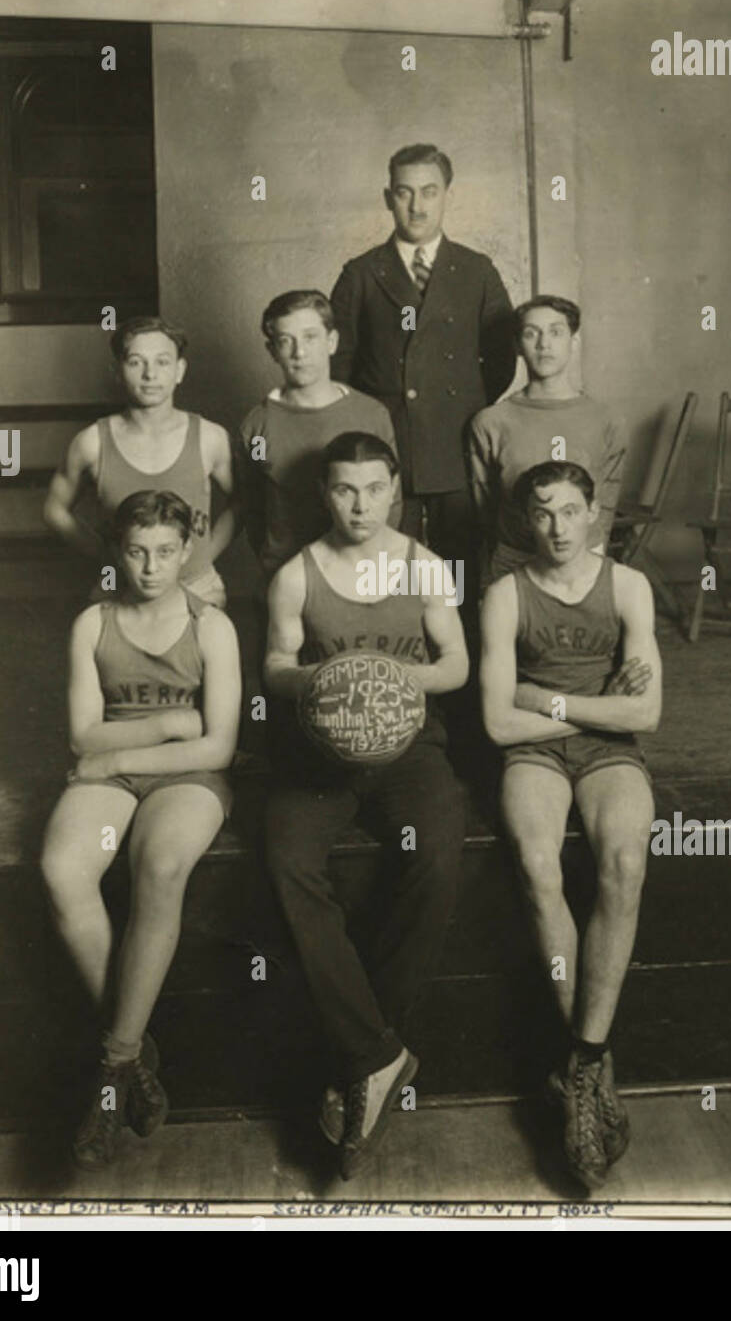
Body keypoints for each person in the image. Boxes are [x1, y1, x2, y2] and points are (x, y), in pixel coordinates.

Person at [263, 431, 468, 1179]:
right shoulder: (297, 574)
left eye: (373, 488)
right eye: (344, 489)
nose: (358, 503)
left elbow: (457, 662)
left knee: (440, 857)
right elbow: (276, 664)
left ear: (394, 493)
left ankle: (361, 1059)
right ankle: (377, 1055)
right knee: (286, 858)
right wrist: (327, 681)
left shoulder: (424, 565)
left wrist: (389, 680)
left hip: (411, 747)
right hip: (321, 750)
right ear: (325, 493)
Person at [41, 490, 241, 1169]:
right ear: (116, 550)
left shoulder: (212, 626)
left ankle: (113, 1066)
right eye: (135, 551)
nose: (150, 567)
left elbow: (217, 748)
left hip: (185, 779)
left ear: (188, 548)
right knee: (65, 869)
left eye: (164, 551)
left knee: (157, 869)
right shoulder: (92, 624)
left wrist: (119, 752)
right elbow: (78, 734)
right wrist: (163, 725)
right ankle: (133, 1050)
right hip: (115, 777)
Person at [478, 460, 661, 1190]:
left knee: (623, 863)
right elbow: (495, 722)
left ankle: (580, 1065)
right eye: (543, 513)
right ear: (528, 521)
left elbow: (644, 714)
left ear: (594, 515)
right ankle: (591, 1061)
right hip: (532, 752)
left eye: (570, 511)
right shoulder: (503, 595)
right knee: (536, 864)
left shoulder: (629, 586)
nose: (556, 527)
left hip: (609, 750)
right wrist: (585, 702)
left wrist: (543, 696)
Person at [330, 143, 516, 568]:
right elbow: (338, 364)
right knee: (386, 565)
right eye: (404, 192)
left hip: (457, 441)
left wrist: (464, 406)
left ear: (448, 195)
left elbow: (502, 357)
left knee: (460, 569)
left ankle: (461, 637)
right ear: (387, 198)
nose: (417, 207)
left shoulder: (476, 270)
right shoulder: (361, 273)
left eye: (429, 192)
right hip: (387, 444)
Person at [44, 316, 236, 607]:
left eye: (162, 362)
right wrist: (107, 553)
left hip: (195, 584)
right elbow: (54, 509)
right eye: (136, 362)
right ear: (118, 371)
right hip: (119, 583)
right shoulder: (91, 442)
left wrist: (205, 553)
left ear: (180, 370)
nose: (150, 374)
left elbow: (244, 501)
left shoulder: (210, 437)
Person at [235, 290, 402, 582]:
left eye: (311, 337)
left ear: (332, 342)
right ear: (272, 351)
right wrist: (277, 563)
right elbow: (254, 507)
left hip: (362, 571)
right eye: (286, 341)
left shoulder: (371, 414)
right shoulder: (257, 428)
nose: (300, 352)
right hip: (287, 576)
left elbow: (392, 497)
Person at [467, 295, 625, 592]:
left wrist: (589, 551)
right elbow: (483, 505)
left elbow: (608, 496)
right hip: (513, 562)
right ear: (517, 346)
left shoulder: (604, 419)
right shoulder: (491, 421)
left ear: (573, 342)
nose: (544, 344)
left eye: (556, 332)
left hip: (582, 560)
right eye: (531, 333)